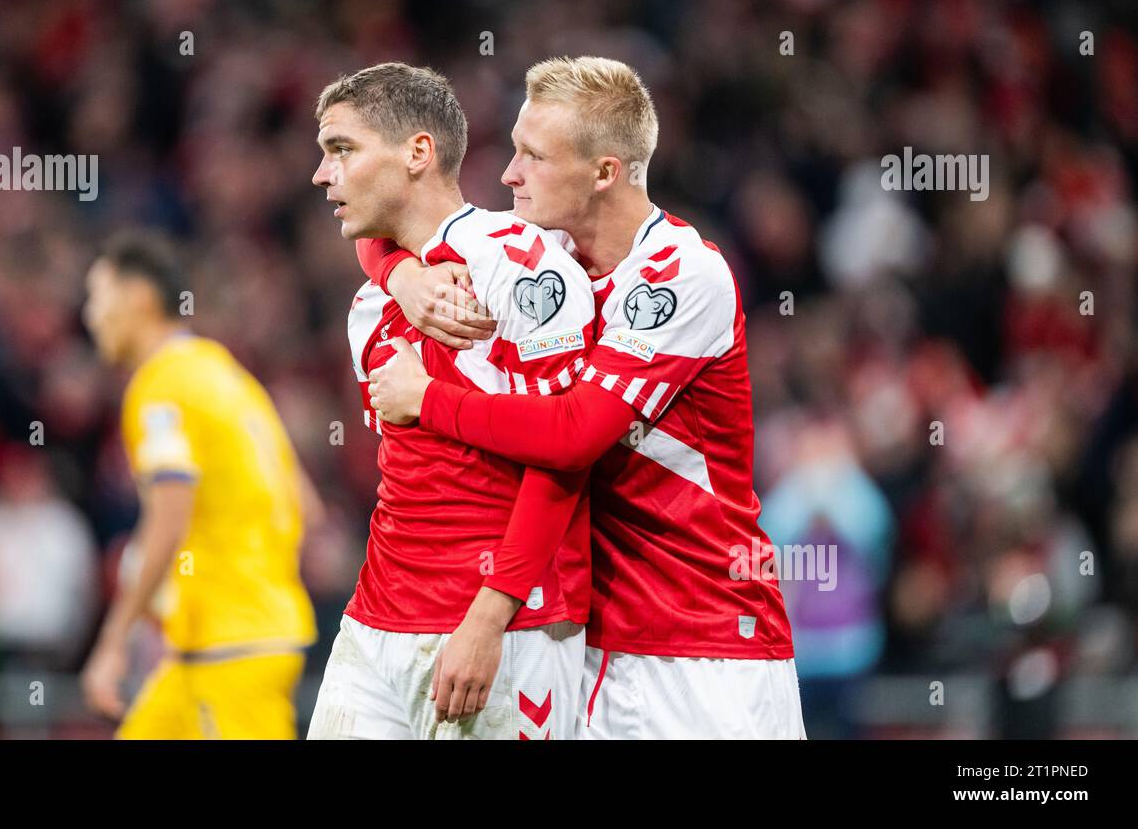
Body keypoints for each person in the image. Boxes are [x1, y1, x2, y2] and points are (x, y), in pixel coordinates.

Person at [366, 56, 805, 738]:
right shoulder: (548, 263)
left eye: (533, 157)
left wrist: (426, 401)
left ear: (604, 172)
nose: (509, 174)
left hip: (703, 640)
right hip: (587, 642)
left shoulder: (683, 276)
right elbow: (380, 219)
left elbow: (575, 435)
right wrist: (402, 277)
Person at [307, 62, 593, 739]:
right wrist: (398, 270)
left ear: (417, 153)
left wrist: (488, 620)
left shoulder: (521, 264)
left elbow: (565, 455)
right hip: (376, 623)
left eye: (341, 149)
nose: (322, 175)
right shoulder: (372, 300)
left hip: (499, 629)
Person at [81, 230, 316, 738]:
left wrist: (113, 640)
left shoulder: (160, 386)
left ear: (139, 298)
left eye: (97, 297)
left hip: (231, 650)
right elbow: (308, 507)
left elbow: (169, 519)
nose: (89, 315)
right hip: (215, 645)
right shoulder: (229, 376)